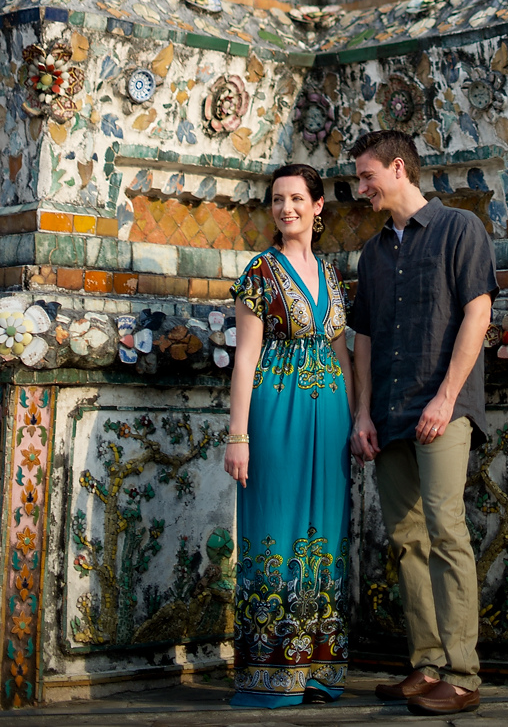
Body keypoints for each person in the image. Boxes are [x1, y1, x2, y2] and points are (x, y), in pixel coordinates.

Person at [349, 129, 496, 716]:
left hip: (442, 410)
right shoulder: (373, 251)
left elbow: (477, 315)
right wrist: (361, 412)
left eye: (367, 176)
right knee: (407, 542)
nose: (361, 188)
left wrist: (445, 398)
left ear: (399, 168)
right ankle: (426, 664)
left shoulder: (461, 230)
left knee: (445, 531)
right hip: (386, 412)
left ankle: (462, 674)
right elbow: (361, 338)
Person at [225, 163, 354, 708]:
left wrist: (359, 416)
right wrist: (238, 435)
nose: (286, 209)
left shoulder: (330, 274)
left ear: (318, 206)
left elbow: (343, 351)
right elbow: (246, 356)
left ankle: (317, 670)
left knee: (326, 533)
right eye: (278, 200)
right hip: (276, 413)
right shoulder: (260, 271)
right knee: (276, 526)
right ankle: (271, 674)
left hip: (332, 418)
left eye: (297, 199)